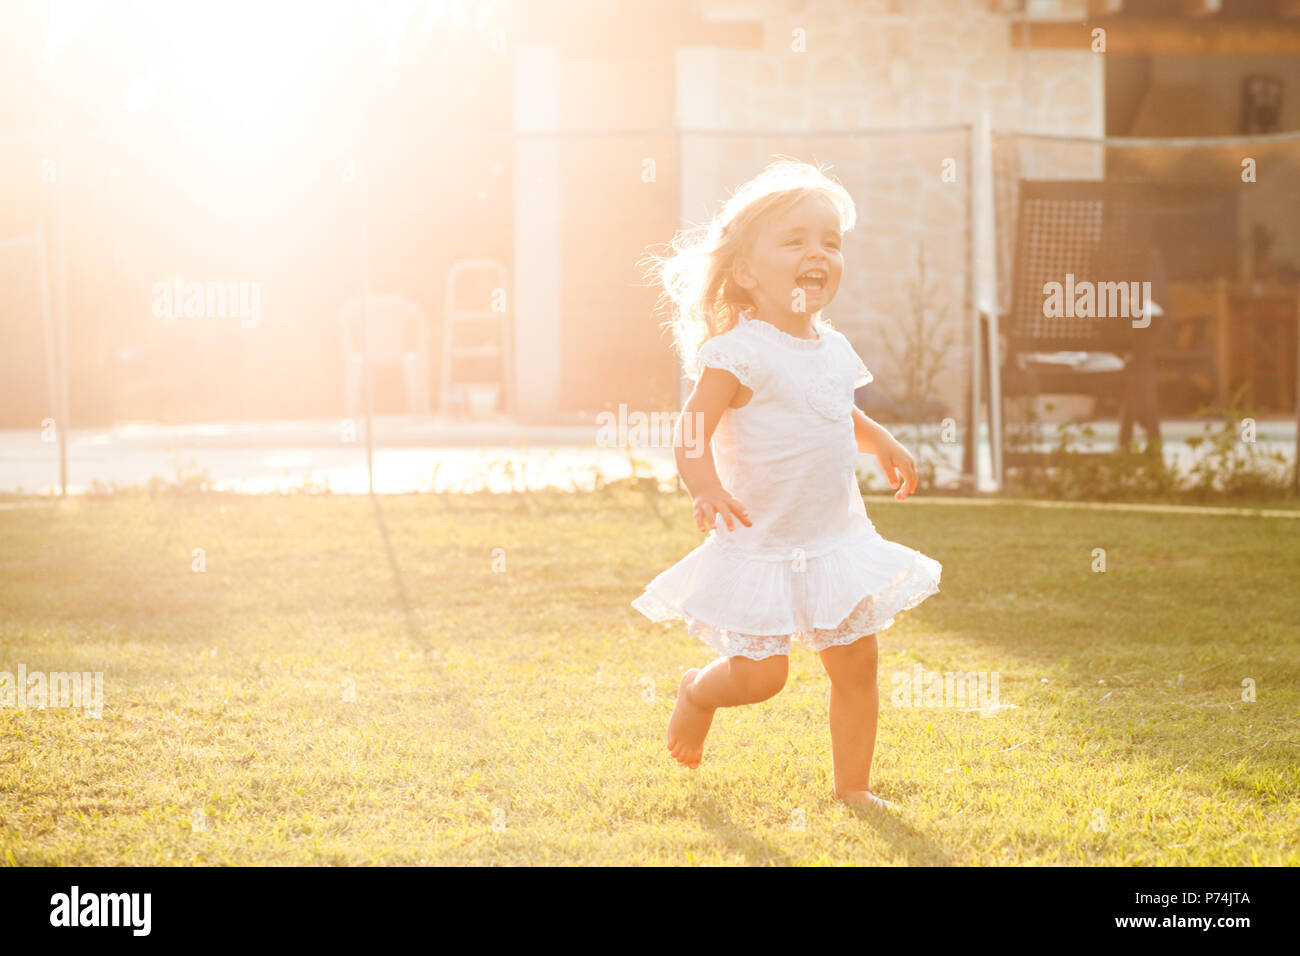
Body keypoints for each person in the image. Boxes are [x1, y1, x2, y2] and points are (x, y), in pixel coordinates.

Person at [631, 158, 942, 811]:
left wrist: (879, 438)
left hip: (834, 540)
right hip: (763, 541)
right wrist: (705, 487)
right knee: (760, 677)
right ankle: (697, 691)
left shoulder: (830, 348)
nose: (818, 253)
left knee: (858, 667)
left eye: (830, 242)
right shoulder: (737, 351)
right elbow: (691, 432)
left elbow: (832, 406)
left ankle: (852, 787)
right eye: (795, 240)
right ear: (745, 271)